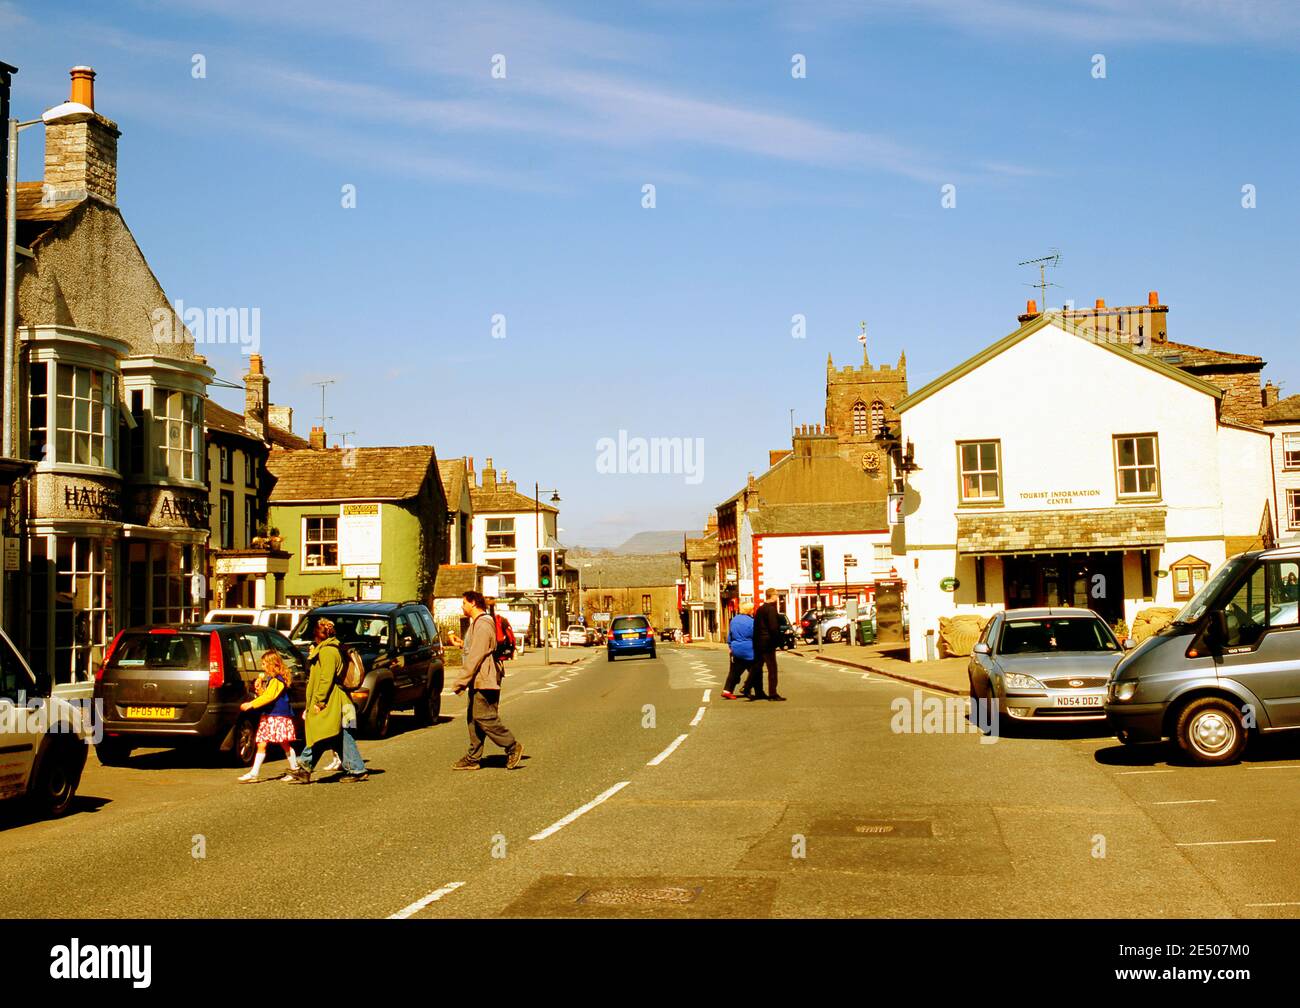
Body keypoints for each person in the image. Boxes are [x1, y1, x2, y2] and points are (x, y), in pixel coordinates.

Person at [286, 617, 368, 784]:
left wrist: (319, 701)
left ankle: (356, 769)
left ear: (318, 635)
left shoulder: (327, 651)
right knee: (330, 735)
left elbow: (326, 679)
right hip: (339, 701)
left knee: (327, 733)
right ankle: (306, 767)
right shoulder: (329, 648)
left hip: (334, 702)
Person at [452, 590, 523, 771]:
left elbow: (476, 655)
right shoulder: (478, 623)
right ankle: (473, 757)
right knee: (473, 719)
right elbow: (475, 648)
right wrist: (461, 644)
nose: (463, 606)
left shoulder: (483, 624)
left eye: (464, 602)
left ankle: (512, 746)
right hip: (480, 678)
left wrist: (460, 681)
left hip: (485, 678)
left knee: (483, 717)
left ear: (473, 603)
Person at [236, 650, 301, 783]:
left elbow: (270, 697)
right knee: (261, 743)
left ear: (273, 664)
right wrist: (259, 689)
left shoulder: (278, 680)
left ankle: (295, 769)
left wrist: (251, 704)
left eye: (265, 664)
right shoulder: (271, 680)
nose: (263, 667)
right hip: (269, 715)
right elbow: (266, 695)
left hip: (278, 716)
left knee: (284, 743)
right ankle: (254, 772)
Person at [752, 589, 787, 701]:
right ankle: (773, 694)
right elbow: (773, 628)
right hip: (768, 643)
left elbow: (756, 627)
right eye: (777, 595)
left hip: (759, 643)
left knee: (757, 667)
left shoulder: (760, 609)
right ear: (772, 596)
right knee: (772, 669)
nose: (778, 597)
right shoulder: (771, 609)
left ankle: (747, 687)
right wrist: (778, 642)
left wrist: (756, 642)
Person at [721, 604, 759, 700]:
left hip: (736, 649)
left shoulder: (734, 620)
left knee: (734, 672)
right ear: (749, 610)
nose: (753, 611)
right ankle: (748, 688)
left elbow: (730, 635)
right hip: (748, 649)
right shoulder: (751, 622)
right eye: (752, 609)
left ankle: (727, 690)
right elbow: (754, 635)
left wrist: (730, 646)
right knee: (755, 671)